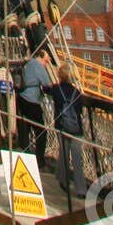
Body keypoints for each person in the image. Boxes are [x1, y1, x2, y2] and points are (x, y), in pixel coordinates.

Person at [44, 64, 86, 197]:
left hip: (62, 127)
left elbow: (46, 90)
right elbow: (79, 110)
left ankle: (63, 180)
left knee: (64, 155)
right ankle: (81, 190)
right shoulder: (77, 92)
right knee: (78, 159)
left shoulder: (56, 89)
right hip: (76, 128)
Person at [16, 49, 50, 169]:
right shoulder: (38, 66)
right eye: (46, 61)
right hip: (32, 101)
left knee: (26, 129)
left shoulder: (28, 63)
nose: (46, 63)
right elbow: (47, 83)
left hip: (21, 98)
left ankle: (25, 156)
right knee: (41, 131)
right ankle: (39, 160)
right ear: (41, 58)